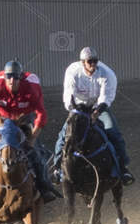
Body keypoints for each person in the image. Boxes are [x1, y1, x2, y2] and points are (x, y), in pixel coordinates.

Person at [0, 60, 59, 204]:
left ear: (20, 77)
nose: (12, 80)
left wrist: (33, 137)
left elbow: (41, 114)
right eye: (9, 76)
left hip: (23, 119)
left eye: (15, 77)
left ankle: (44, 187)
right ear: (4, 77)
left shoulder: (31, 88)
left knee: (35, 152)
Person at [54, 46, 133, 185]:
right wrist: (75, 111)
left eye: (95, 61)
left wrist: (97, 112)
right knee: (65, 133)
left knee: (113, 131)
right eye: (90, 61)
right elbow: (68, 95)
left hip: (98, 108)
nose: (93, 65)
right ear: (82, 62)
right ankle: (57, 168)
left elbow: (106, 97)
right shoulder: (73, 71)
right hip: (78, 107)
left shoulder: (107, 74)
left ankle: (123, 168)